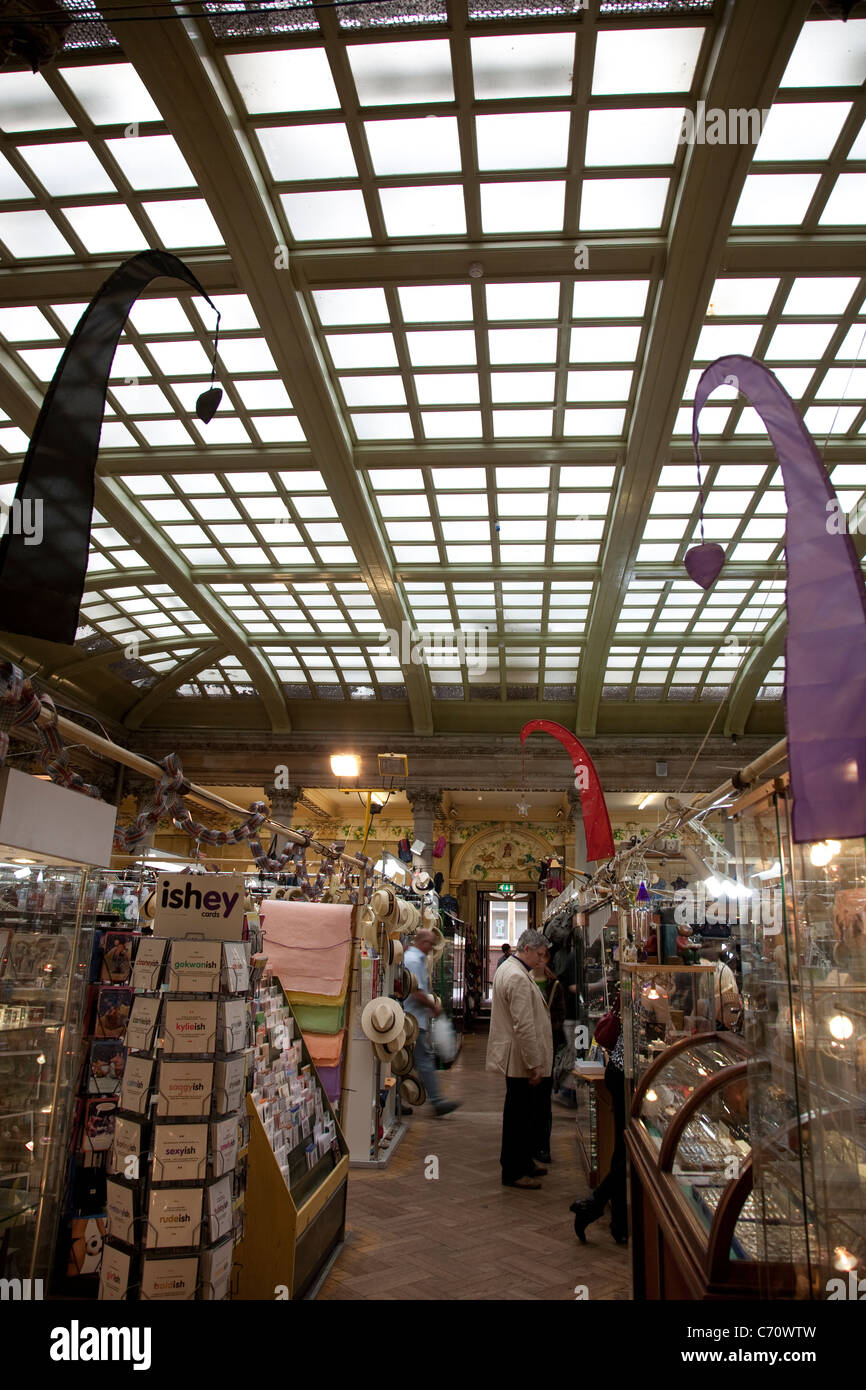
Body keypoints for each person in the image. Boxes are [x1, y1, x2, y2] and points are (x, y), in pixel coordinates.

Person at [486, 928, 553, 1190]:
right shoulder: (516, 976)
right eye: (539, 954)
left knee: (522, 1114)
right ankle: (513, 1171)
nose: (541, 960)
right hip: (520, 1060)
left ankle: (524, 1162)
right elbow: (524, 1026)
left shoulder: (512, 970)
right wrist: (534, 1063)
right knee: (518, 1117)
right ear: (527, 949)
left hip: (517, 1057)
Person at [569, 989, 628, 1245]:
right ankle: (597, 1205)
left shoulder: (636, 987)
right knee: (627, 1151)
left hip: (619, 1069)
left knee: (623, 1149)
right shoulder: (650, 990)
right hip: (625, 1072)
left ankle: (618, 1221)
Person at [404, 929, 461, 1118]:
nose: (432, 947)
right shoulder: (414, 960)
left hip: (415, 1018)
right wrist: (433, 1006)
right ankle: (437, 1101)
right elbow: (416, 992)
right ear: (421, 942)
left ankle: (399, 1102)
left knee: (411, 1061)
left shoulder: (416, 959)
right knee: (424, 1059)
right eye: (430, 943)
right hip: (412, 1021)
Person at [531, 943, 565, 1166]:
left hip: (547, 1045)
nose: (540, 960)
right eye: (538, 955)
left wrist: (546, 1028)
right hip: (528, 1045)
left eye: (544, 956)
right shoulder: (524, 980)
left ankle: (543, 1145)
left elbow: (560, 1014)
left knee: (543, 1098)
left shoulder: (555, 985)